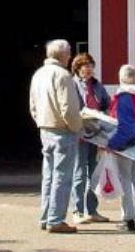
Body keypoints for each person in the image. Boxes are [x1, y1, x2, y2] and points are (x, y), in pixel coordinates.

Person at [28, 39, 82, 233]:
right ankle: (56, 219)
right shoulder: (63, 75)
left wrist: (40, 121)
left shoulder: (38, 74)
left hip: (45, 128)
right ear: (63, 55)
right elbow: (68, 108)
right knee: (62, 176)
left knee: (49, 176)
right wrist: (77, 127)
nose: (70, 57)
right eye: (68, 53)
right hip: (63, 130)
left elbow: (33, 105)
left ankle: (46, 217)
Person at [108, 64, 135, 231]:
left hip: (127, 143)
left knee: (125, 180)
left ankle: (128, 218)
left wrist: (112, 144)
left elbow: (125, 126)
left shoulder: (123, 97)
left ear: (121, 78)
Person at [70, 52, 111, 224]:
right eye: (85, 66)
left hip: (96, 135)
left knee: (94, 174)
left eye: (91, 66)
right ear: (78, 68)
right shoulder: (72, 84)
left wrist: (103, 115)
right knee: (79, 173)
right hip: (80, 134)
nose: (89, 69)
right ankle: (77, 211)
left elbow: (107, 103)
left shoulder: (97, 86)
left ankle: (92, 210)